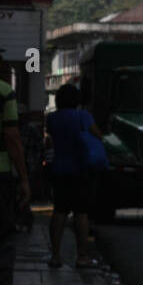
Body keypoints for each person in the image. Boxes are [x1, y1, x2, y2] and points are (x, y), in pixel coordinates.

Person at [0, 31, 30, 285]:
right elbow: (13, 138)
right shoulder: (4, 92)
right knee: (1, 238)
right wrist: (23, 179)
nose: (0, 62)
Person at [45, 83, 102, 268]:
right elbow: (97, 135)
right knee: (81, 213)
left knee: (59, 211)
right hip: (80, 170)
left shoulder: (52, 118)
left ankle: (55, 255)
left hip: (59, 170)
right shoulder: (83, 116)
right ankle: (82, 256)